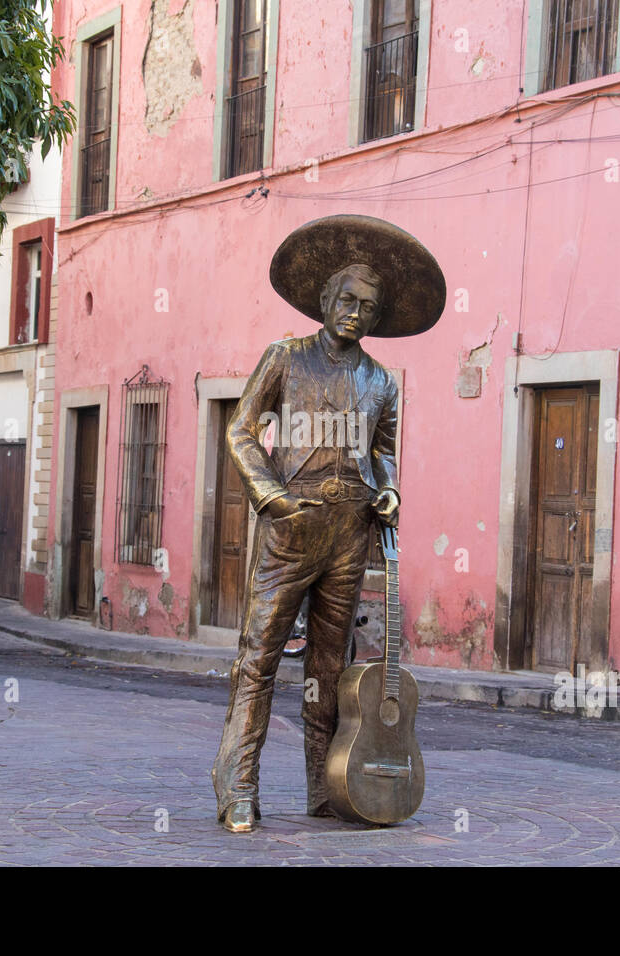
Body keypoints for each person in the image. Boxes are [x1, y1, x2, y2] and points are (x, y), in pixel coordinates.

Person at [212, 214, 446, 832]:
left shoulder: (382, 382)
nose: (356, 313)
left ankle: (327, 785)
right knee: (257, 660)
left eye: (369, 307)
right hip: (289, 530)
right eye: (346, 299)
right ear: (324, 300)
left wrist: (390, 491)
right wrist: (268, 496)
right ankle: (237, 785)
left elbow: (385, 450)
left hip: (350, 537)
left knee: (330, 671)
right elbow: (239, 431)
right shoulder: (285, 359)